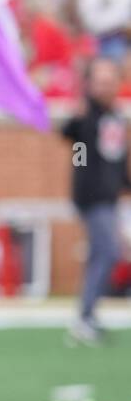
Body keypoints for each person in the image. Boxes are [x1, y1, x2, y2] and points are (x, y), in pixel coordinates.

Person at [59, 55, 130, 344]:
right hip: (92, 197)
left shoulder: (115, 117)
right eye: (101, 81)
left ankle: (88, 314)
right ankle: (85, 316)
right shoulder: (85, 117)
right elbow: (70, 135)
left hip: (109, 196)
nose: (106, 86)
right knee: (108, 252)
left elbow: (115, 157)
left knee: (103, 253)